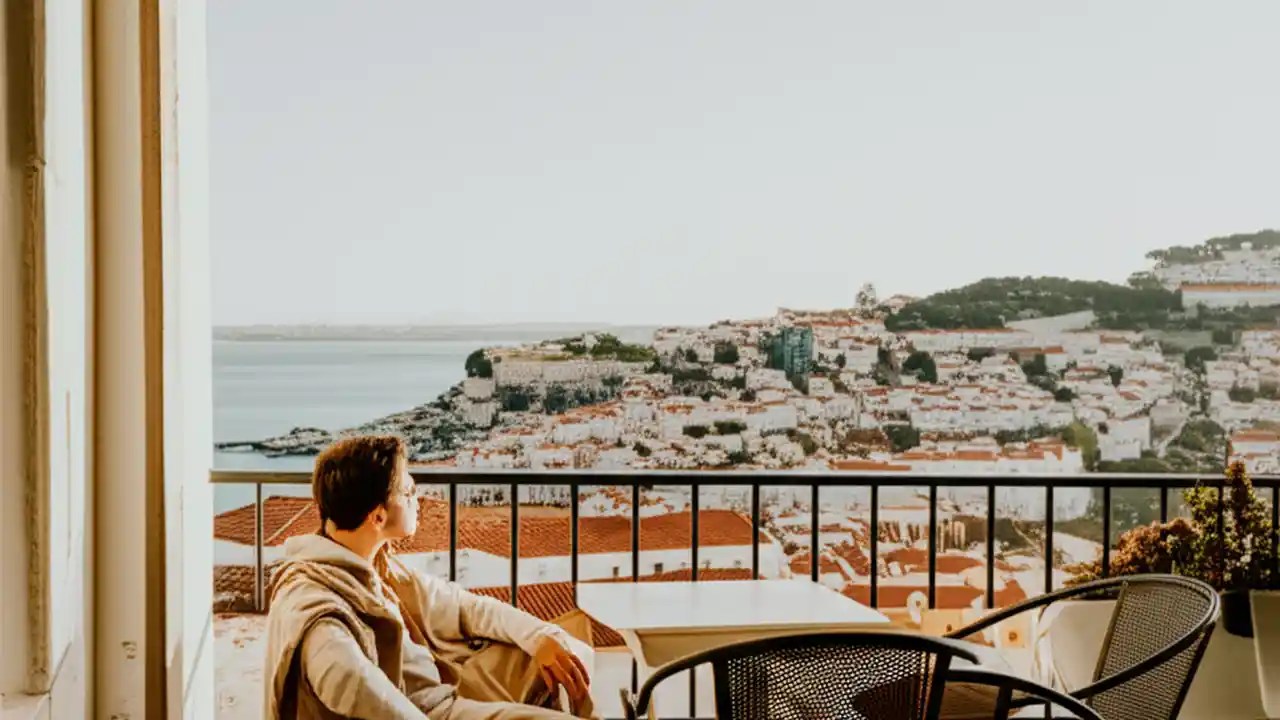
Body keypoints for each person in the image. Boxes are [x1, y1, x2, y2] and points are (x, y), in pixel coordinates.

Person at [263, 434, 596, 720]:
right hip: (437, 711)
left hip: (445, 698)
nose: (417, 499)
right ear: (378, 516)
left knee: (563, 659)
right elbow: (351, 684)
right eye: (408, 493)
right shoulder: (317, 606)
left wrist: (538, 637)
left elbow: (466, 608)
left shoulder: (376, 569)